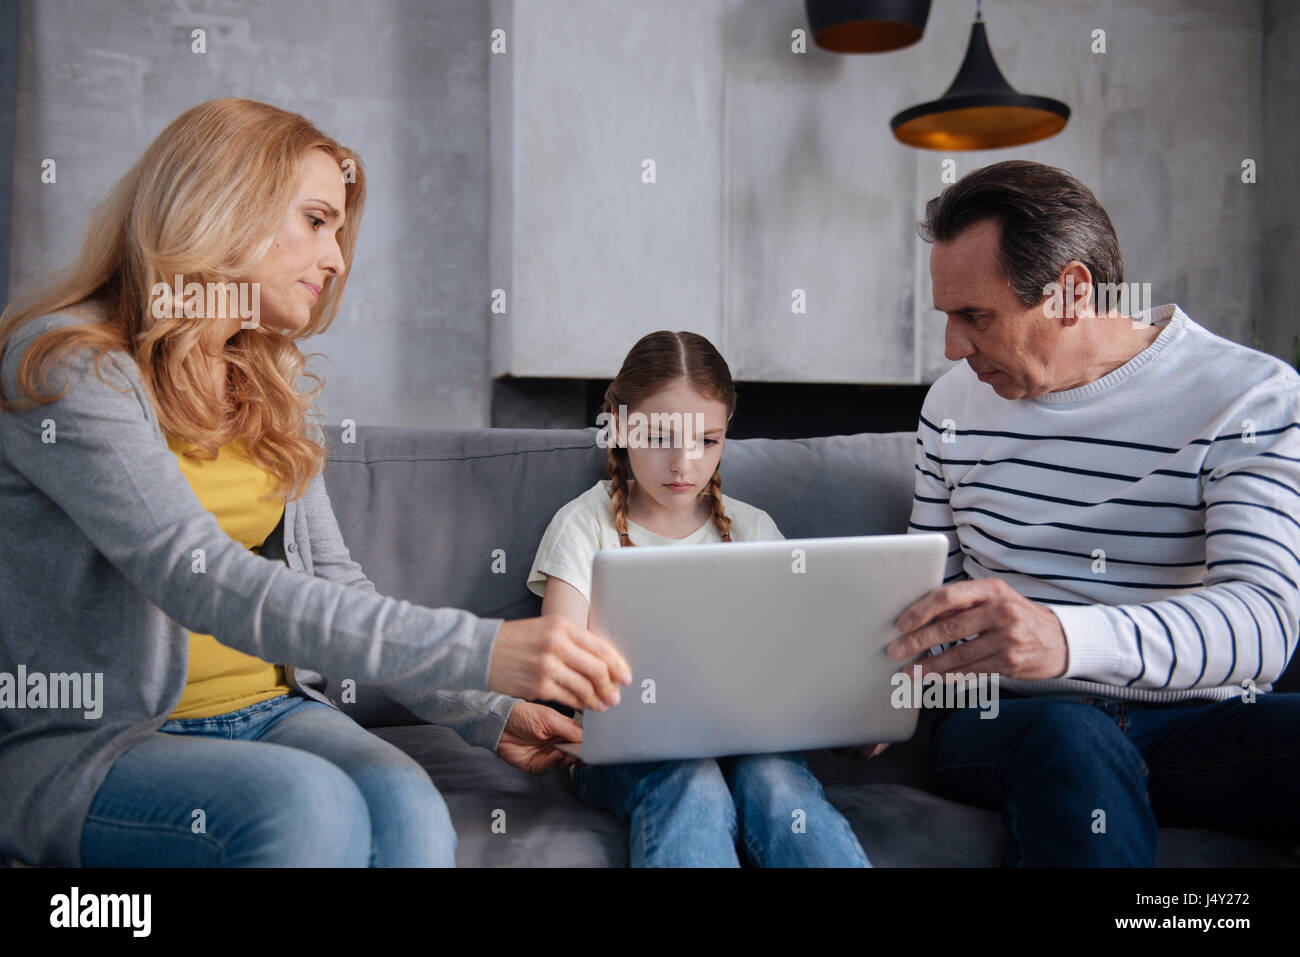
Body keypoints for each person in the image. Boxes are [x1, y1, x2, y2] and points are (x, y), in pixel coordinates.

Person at [0, 98, 630, 868]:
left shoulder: (266, 377)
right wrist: (482, 648)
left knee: (408, 808)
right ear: (226, 203)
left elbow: (335, 580)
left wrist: (485, 710)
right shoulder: (70, 367)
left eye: (338, 231)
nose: (337, 260)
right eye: (317, 221)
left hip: (270, 710)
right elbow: (196, 578)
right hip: (106, 740)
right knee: (309, 807)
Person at [891, 159, 1300, 865]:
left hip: (1195, 722)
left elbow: (1264, 621)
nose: (953, 349)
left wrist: (1066, 638)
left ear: (1071, 292)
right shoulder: (952, 407)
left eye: (975, 316)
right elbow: (921, 597)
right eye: (947, 317)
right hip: (1013, 720)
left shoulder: (1247, 395)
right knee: (1069, 739)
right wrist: (877, 680)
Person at [521, 330, 871, 867]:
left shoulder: (755, 530)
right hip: (629, 750)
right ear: (618, 426)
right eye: (661, 437)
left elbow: (796, 658)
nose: (683, 464)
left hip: (750, 739)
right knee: (692, 781)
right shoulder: (582, 525)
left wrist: (845, 709)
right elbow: (557, 667)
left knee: (776, 782)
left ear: (725, 433)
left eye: (705, 441)